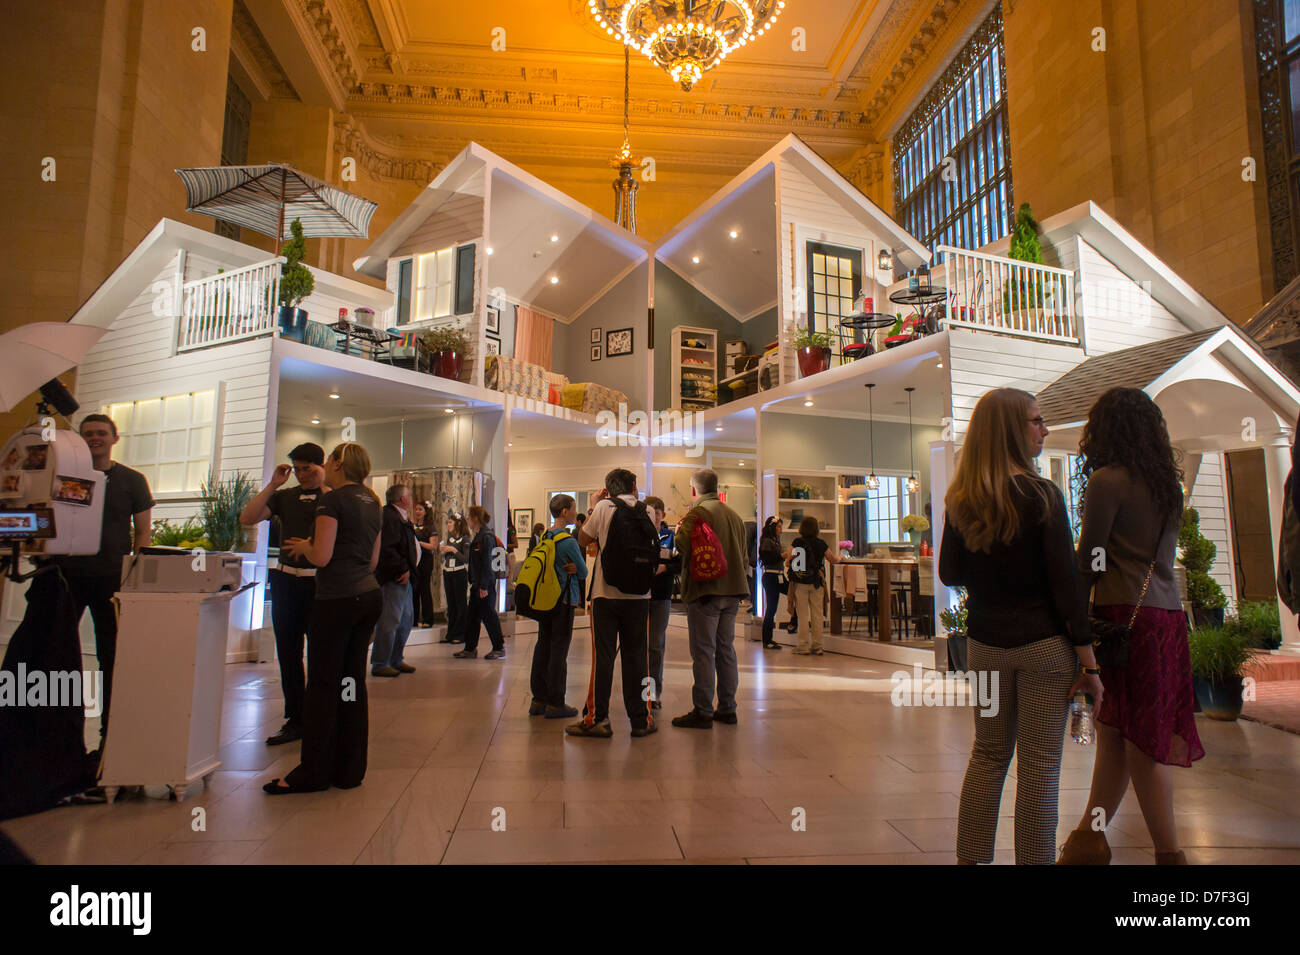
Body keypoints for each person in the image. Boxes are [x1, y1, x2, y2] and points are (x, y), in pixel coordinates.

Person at [938, 387, 1096, 865]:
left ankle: (972, 860)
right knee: (1041, 768)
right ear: (1010, 430)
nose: (1044, 429)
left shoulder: (962, 500)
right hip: (1046, 648)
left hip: (986, 646)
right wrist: (1088, 660)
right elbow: (1066, 586)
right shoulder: (1043, 495)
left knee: (987, 759)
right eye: (1036, 420)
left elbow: (949, 573)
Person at [1059, 387, 1204, 866]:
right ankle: (1088, 838)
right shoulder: (1168, 487)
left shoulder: (1107, 481)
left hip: (1121, 618)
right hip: (1165, 617)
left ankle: (1170, 855)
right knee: (1118, 731)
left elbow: (1090, 560)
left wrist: (1074, 624)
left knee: (1139, 739)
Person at [264, 442, 383, 794]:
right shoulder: (373, 502)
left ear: (338, 464)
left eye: (329, 460)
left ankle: (313, 771)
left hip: (337, 601)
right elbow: (373, 562)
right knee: (350, 683)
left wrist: (304, 547)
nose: (324, 467)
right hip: (367, 596)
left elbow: (322, 557)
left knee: (321, 686)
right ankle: (349, 768)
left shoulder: (331, 501)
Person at [52, 413, 153, 745]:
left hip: (112, 578)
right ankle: (62, 740)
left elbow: (143, 532)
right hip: (68, 575)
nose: (94, 438)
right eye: (87, 434)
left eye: (100, 433)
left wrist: (136, 572)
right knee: (59, 654)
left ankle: (110, 739)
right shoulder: (67, 477)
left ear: (114, 438)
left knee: (113, 656)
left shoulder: (132, 480)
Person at [238, 442, 326, 745]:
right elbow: (247, 517)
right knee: (288, 652)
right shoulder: (285, 497)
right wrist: (274, 483)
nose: (301, 474)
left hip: (319, 583)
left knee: (320, 654)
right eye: (297, 469)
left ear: (320, 466)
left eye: (307, 468)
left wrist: (323, 481)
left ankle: (319, 716)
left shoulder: (331, 498)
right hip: (286, 580)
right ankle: (296, 717)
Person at [567, 468, 658, 738]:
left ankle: (597, 719)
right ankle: (642, 719)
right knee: (639, 659)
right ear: (633, 485)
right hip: (640, 597)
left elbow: (583, 539)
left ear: (607, 490)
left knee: (603, 659)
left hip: (605, 596)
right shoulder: (648, 510)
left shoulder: (604, 507)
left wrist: (594, 506)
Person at [672, 469, 749, 729]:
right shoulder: (735, 516)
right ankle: (728, 708)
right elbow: (744, 556)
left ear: (694, 490)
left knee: (704, 651)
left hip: (706, 591)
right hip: (733, 591)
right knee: (726, 650)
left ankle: (703, 710)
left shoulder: (697, 514)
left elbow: (682, 547)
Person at [528, 495, 586, 718]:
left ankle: (538, 699)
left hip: (545, 601)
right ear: (564, 512)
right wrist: (573, 568)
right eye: (572, 508)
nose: (574, 512)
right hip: (564, 600)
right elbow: (583, 572)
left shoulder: (545, 536)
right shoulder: (568, 541)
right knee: (559, 651)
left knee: (543, 646)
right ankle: (556, 702)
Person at [369, 485, 419, 677]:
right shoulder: (389, 517)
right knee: (390, 621)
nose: (411, 498)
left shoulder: (400, 517)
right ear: (401, 499)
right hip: (393, 577)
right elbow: (387, 548)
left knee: (406, 619)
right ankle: (381, 662)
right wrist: (402, 569)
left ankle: (396, 658)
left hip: (404, 577)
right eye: (409, 495)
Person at [454, 505, 506, 660]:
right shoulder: (479, 537)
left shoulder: (486, 537)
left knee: (489, 616)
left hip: (484, 585)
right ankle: (470, 648)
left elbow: (487, 563)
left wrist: (484, 585)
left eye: (469, 517)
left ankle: (498, 647)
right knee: (472, 617)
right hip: (477, 584)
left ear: (475, 518)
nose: (468, 521)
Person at [644, 495, 680, 709]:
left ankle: (653, 694)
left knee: (655, 646)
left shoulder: (670, 536)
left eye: (655, 514)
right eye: (648, 514)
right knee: (640, 647)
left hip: (661, 598)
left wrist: (665, 568)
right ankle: (640, 694)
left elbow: (681, 563)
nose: (652, 518)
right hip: (639, 596)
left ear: (662, 515)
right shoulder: (639, 535)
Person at [787, 516, 840, 655]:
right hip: (817, 583)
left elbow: (788, 560)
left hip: (800, 583)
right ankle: (817, 646)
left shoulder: (796, 542)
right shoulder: (820, 543)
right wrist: (841, 558)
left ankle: (803, 646)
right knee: (817, 615)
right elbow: (832, 559)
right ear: (816, 528)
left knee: (802, 615)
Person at [439, 513, 469, 644]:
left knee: (460, 604)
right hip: (448, 572)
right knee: (451, 604)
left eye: (450, 522)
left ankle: (460, 634)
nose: (448, 525)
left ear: (458, 524)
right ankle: (450, 633)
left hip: (459, 573)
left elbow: (466, 558)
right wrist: (444, 551)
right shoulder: (449, 538)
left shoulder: (465, 539)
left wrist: (453, 550)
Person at [758, 517, 787, 650]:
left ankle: (793, 622)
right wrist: (782, 556)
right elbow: (768, 558)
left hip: (778, 576)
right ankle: (767, 640)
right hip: (771, 576)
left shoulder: (774, 541)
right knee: (771, 608)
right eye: (779, 527)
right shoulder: (766, 542)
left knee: (794, 593)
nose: (781, 530)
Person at [411, 501, 438, 628]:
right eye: (416, 509)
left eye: (420, 509)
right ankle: (413, 619)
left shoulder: (430, 528)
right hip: (415, 561)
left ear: (425, 512)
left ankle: (428, 619)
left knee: (424, 589)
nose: (417, 512)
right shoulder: (412, 526)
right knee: (414, 590)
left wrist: (419, 543)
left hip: (426, 561)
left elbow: (433, 546)